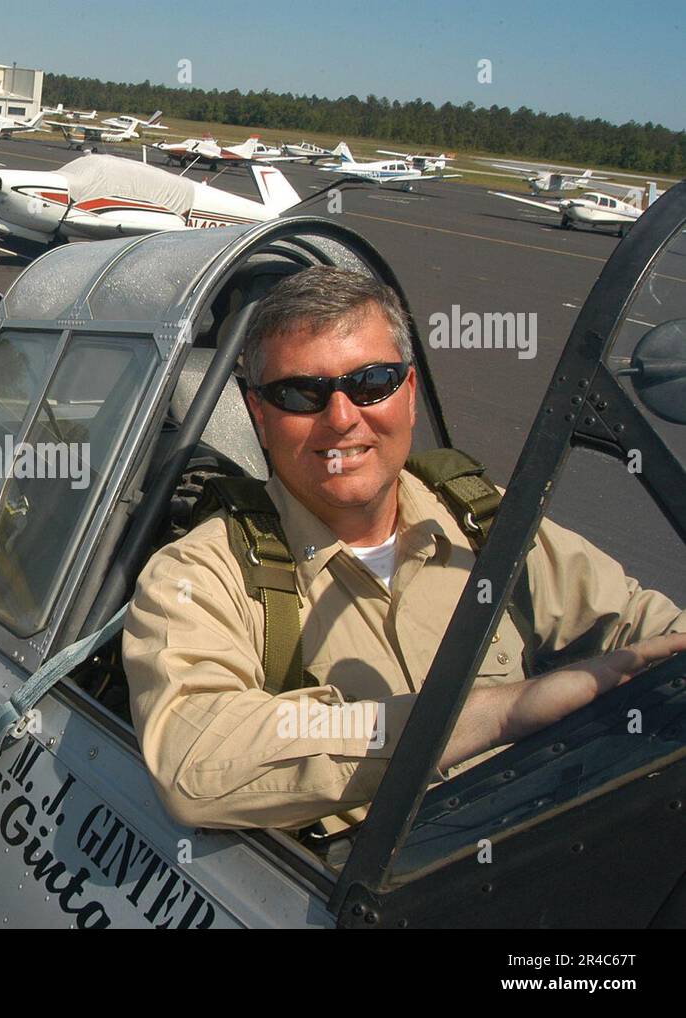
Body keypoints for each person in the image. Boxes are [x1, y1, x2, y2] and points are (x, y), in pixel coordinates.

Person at [123, 266, 686, 834]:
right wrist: (499, 713)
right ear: (260, 416)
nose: (342, 418)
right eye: (301, 394)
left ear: (409, 394)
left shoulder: (483, 520)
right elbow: (193, 761)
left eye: (371, 383)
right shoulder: (199, 571)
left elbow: (643, 623)